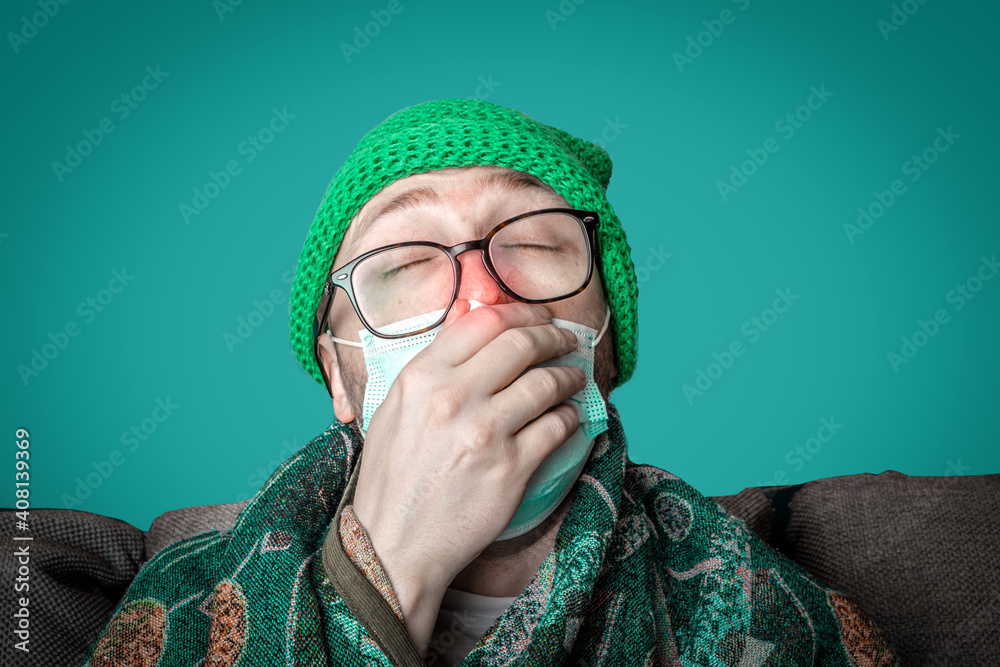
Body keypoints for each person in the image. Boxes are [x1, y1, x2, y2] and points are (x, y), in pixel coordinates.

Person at [83, 98, 898, 666]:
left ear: (604, 349)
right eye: (405, 262)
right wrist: (385, 574)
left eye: (538, 245)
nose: (484, 300)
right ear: (339, 373)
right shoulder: (181, 603)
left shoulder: (763, 610)